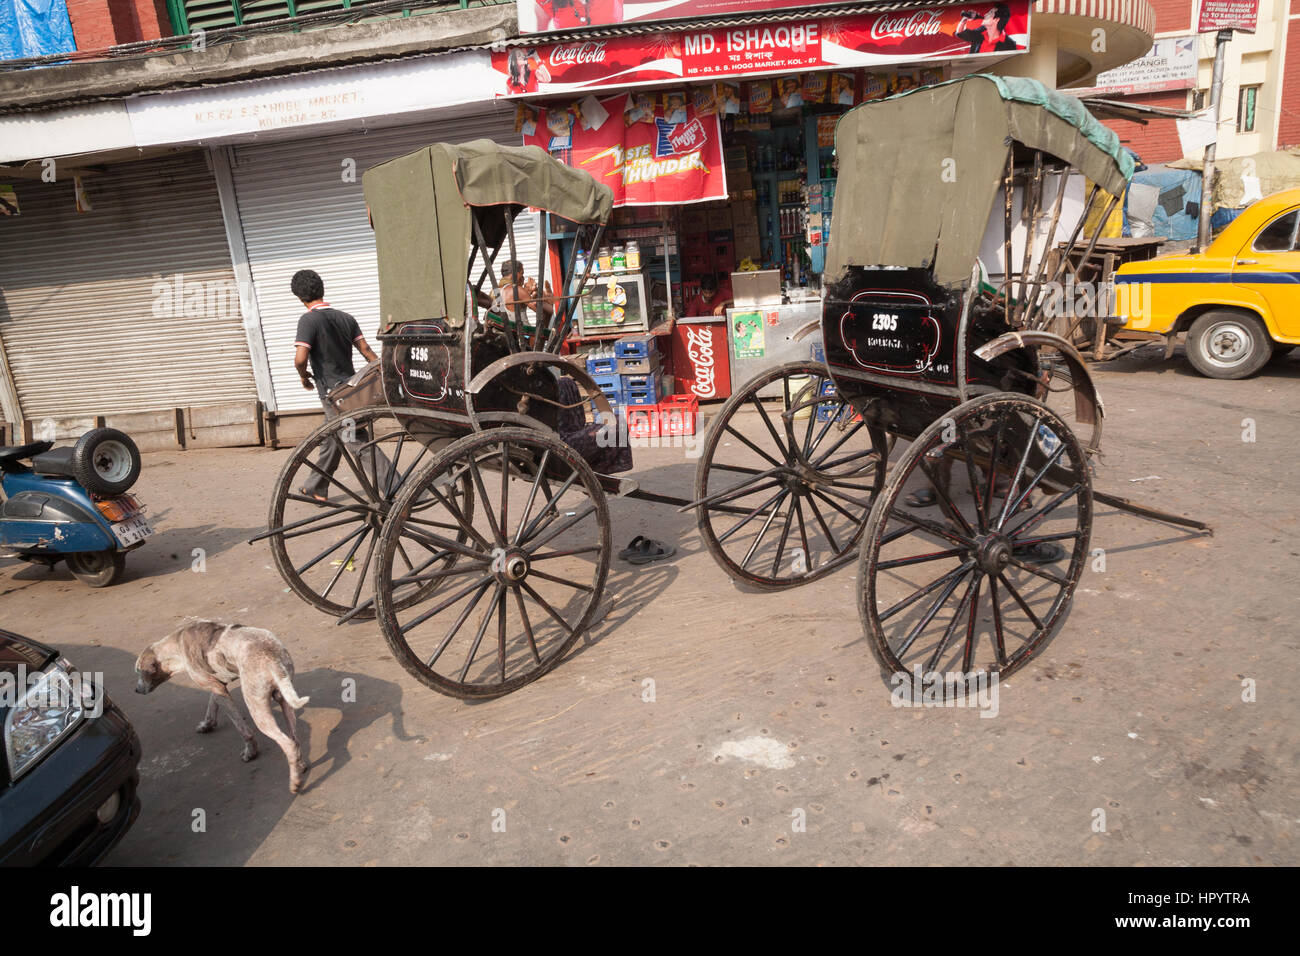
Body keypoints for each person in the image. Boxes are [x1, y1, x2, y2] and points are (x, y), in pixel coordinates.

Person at [291, 269, 387, 501]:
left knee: (355, 440)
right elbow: (366, 351)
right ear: (322, 289)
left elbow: (300, 358)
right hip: (351, 390)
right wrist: (381, 372)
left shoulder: (308, 320)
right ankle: (316, 487)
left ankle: (397, 485)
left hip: (333, 396)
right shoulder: (346, 318)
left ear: (299, 297)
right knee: (332, 438)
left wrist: (304, 377)